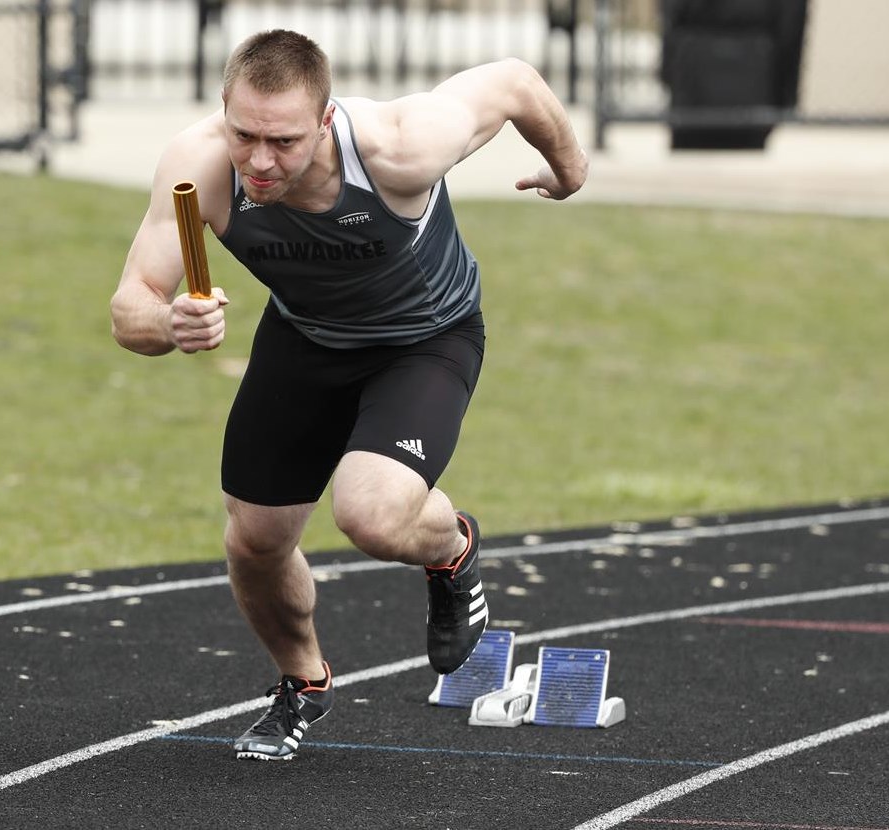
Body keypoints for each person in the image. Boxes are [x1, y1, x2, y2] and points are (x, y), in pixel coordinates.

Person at [109, 29, 587, 761]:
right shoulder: (196, 168)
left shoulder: (400, 146)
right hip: (306, 340)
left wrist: (568, 169)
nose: (261, 161)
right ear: (222, 112)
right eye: (244, 134)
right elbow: (130, 308)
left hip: (422, 340)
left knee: (368, 515)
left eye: (284, 140)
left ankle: (452, 548)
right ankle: (303, 683)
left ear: (326, 120)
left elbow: (516, 81)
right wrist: (169, 323)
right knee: (254, 541)